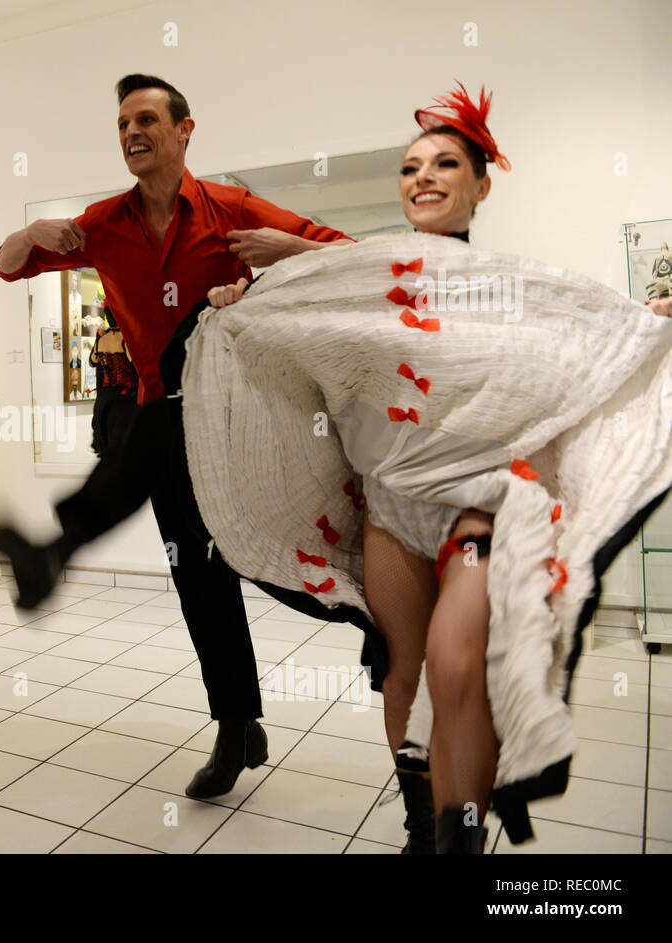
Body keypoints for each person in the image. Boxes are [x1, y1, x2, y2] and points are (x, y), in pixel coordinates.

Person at [181, 84, 672, 852]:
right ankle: (423, 829)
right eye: (411, 166)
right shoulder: (365, 282)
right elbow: (307, 321)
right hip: (390, 511)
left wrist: (643, 326)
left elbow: (579, 329)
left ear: (482, 183)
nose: (424, 176)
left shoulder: (511, 287)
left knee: (454, 662)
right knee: (402, 673)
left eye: (446, 162)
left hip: (477, 509)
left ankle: (461, 837)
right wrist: (243, 304)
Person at [0, 73, 351, 799]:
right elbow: (5, 267)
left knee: (245, 560)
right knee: (200, 578)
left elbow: (346, 253)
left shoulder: (231, 210)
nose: (132, 132)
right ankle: (237, 725)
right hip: (162, 415)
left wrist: (281, 249)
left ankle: (58, 550)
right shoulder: (105, 223)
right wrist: (30, 234)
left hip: (231, 418)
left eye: (148, 118)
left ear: (185, 131)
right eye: (123, 121)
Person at [88, 307, 138, 458]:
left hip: (104, 400)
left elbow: (92, 361)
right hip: (123, 398)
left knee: (108, 449)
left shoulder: (102, 340)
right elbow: (134, 362)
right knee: (124, 448)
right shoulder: (125, 339)